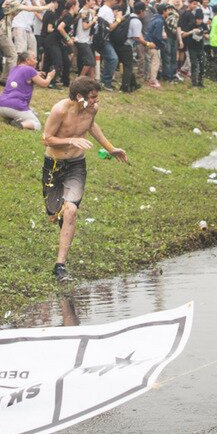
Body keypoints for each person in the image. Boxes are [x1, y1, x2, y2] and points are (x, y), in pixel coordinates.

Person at [41, 76, 128, 282]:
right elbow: (45, 138)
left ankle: (60, 265)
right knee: (55, 213)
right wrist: (70, 140)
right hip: (53, 165)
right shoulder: (60, 110)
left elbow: (91, 126)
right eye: (93, 98)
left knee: (70, 210)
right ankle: (60, 216)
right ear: (79, 97)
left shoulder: (91, 109)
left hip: (76, 166)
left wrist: (111, 148)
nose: (96, 102)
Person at [0, 52, 55, 130]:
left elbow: (24, 75)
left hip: (0, 107)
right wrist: (49, 77)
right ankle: (20, 124)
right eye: (34, 59)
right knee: (37, 125)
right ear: (27, 60)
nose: (36, 61)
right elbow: (44, 84)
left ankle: (11, 119)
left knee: (34, 112)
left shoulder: (14, 68)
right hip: (14, 106)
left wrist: (36, 74)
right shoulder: (30, 70)